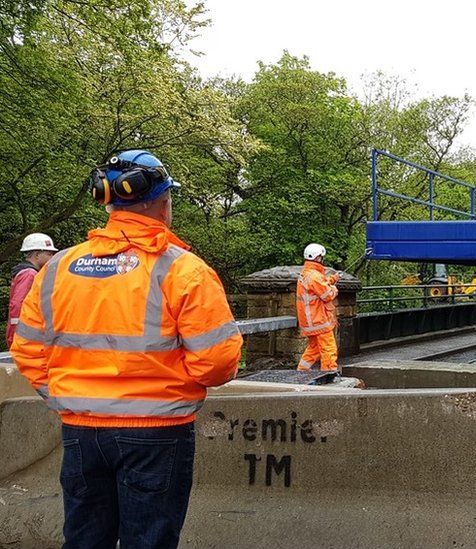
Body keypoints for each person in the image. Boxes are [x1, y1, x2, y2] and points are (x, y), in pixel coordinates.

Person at [10, 150, 242, 549]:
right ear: (164, 203)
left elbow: (27, 351)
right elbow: (218, 363)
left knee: (84, 538)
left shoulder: (58, 268)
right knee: (149, 540)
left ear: (109, 204)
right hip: (157, 434)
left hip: (81, 432)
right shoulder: (184, 271)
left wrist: (68, 397)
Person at [6, 233, 58, 348]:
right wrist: (17, 335)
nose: (52, 257)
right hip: (23, 337)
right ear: (37, 254)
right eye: (49, 253)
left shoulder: (28, 273)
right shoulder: (29, 274)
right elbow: (18, 306)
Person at [296, 243, 340, 374]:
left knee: (314, 349)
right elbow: (328, 295)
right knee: (329, 349)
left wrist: (332, 279)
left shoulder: (307, 273)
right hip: (318, 320)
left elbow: (321, 283)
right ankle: (329, 373)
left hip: (310, 320)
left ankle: (301, 371)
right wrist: (334, 289)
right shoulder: (314, 276)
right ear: (318, 258)